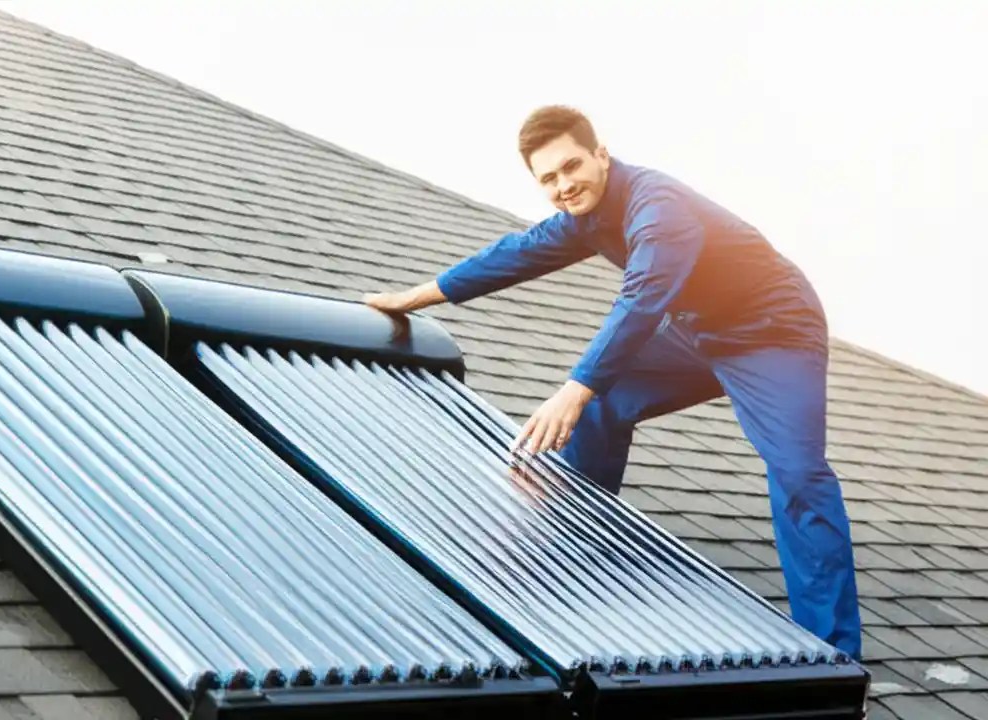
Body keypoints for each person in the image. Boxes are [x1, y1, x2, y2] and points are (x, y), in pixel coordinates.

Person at [363, 105, 862, 662]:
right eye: (548, 178)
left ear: (602, 155)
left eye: (572, 166)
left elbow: (644, 298)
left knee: (798, 474)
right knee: (599, 404)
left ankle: (835, 656)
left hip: (772, 332)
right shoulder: (586, 214)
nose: (564, 185)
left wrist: (574, 387)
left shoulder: (658, 207)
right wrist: (413, 297)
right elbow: (516, 253)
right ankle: (576, 550)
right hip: (697, 331)